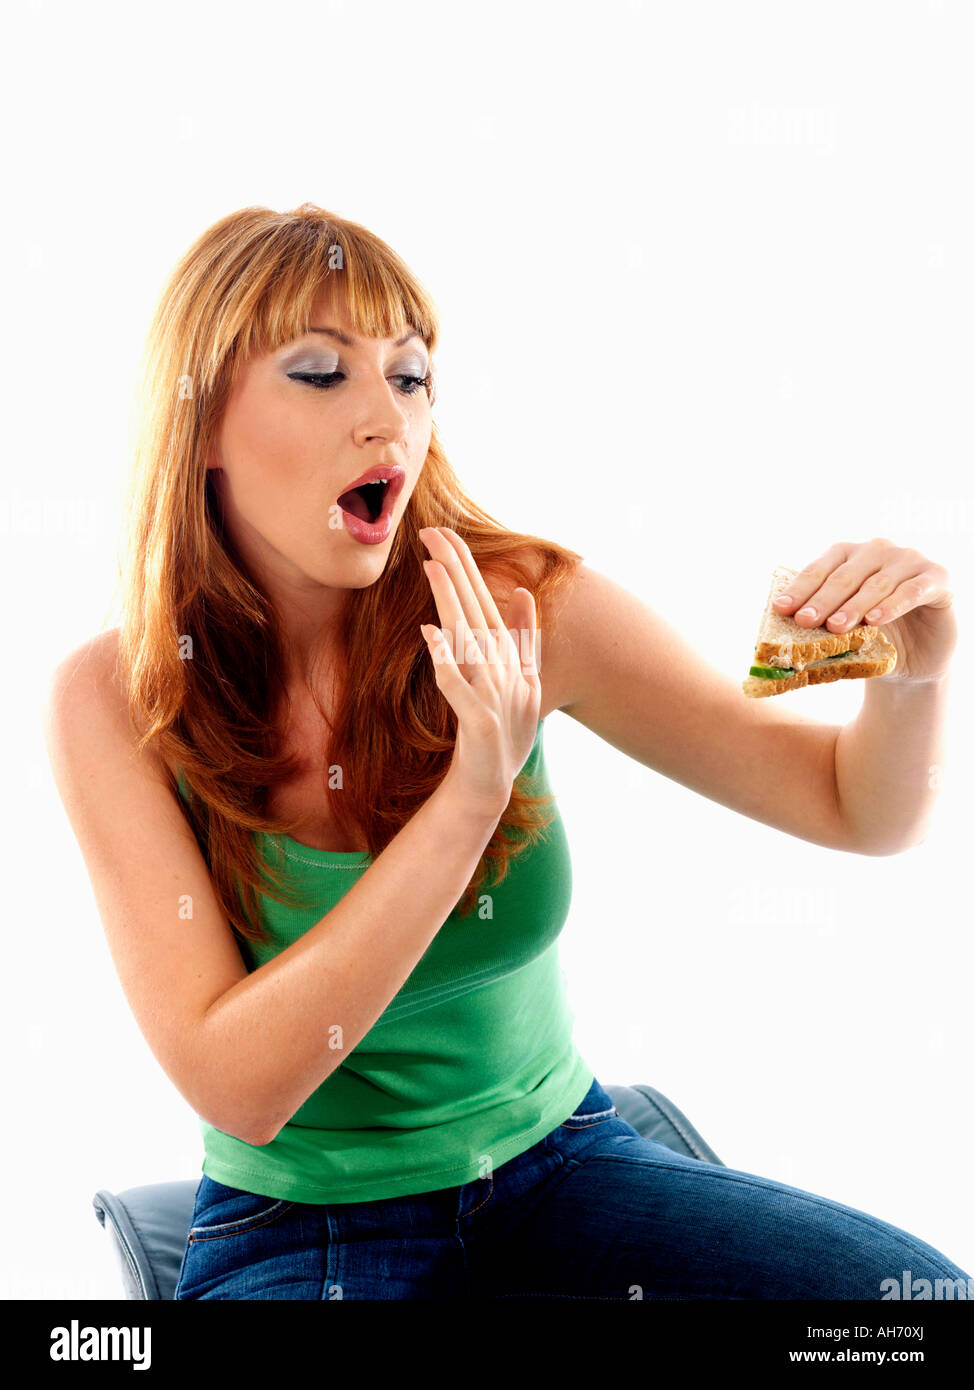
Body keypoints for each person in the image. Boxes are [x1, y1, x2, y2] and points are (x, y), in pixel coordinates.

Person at [43, 202, 969, 1301]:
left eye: (409, 374)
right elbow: (239, 1086)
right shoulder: (116, 699)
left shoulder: (527, 607)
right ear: (197, 424)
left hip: (559, 1167)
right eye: (320, 373)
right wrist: (465, 801)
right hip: (299, 1227)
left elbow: (851, 808)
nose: (383, 416)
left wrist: (914, 675)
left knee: (914, 1311)